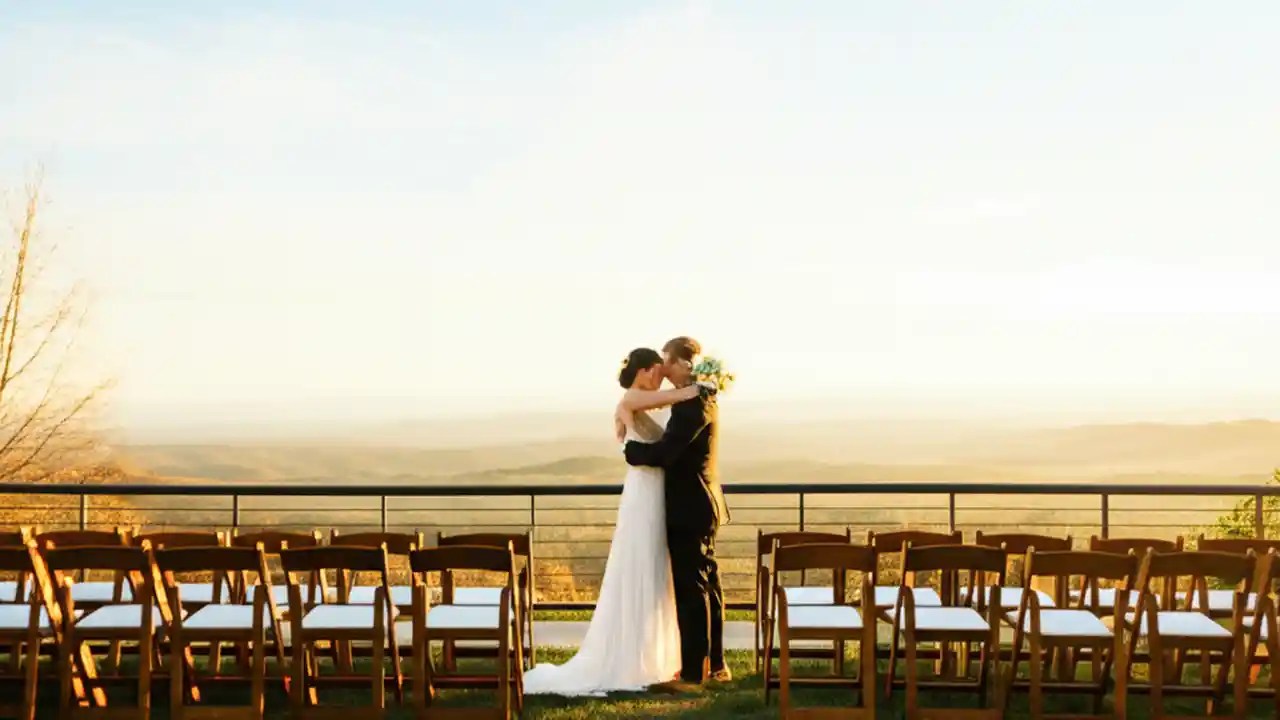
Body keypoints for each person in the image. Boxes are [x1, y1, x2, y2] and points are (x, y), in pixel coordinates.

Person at [521, 347, 700, 696]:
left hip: (655, 488)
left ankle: (655, 655)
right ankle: (631, 658)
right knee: (639, 564)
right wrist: (707, 383)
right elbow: (683, 394)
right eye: (659, 372)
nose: (663, 378)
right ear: (647, 371)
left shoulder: (639, 401)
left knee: (654, 567)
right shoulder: (633, 397)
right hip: (644, 491)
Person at [625, 336, 730, 688]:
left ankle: (692, 673)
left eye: (666, 360)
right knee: (707, 584)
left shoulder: (693, 404)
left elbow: (668, 452)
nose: (662, 367)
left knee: (693, 588)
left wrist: (633, 453)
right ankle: (714, 665)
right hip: (702, 504)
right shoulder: (700, 396)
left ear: (682, 364)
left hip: (690, 506)